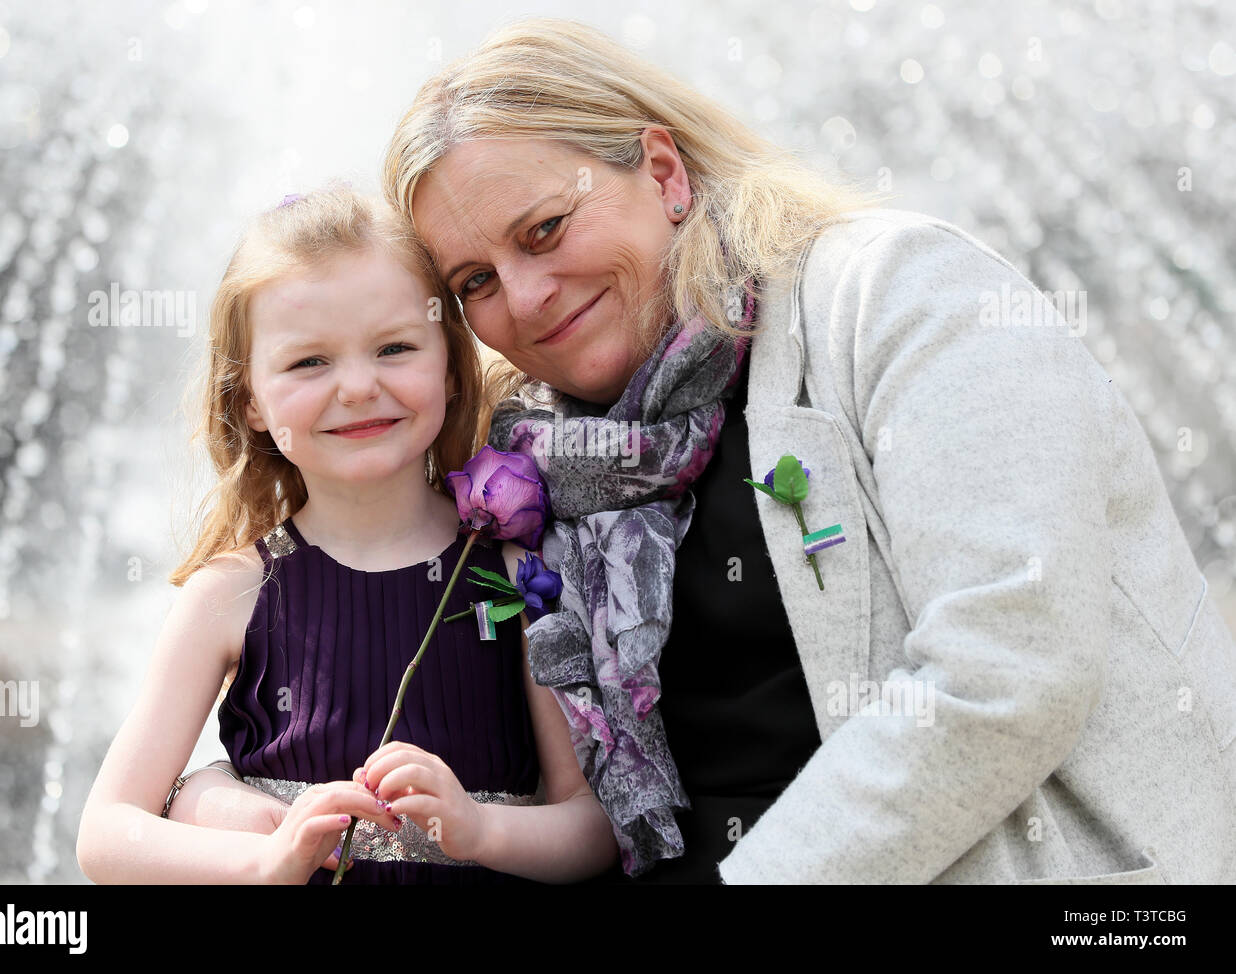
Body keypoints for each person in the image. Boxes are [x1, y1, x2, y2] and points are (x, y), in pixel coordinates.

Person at [179, 18, 1236, 884]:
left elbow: (1007, 666)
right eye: (474, 284)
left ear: (663, 170)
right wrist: (218, 798)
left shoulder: (902, 295)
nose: (525, 297)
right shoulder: (538, 449)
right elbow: (367, 656)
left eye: (543, 230)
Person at [74, 184, 618, 884]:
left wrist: (482, 829)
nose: (358, 386)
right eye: (309, 362)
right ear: (252, 402)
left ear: (451, 369)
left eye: (394, 348)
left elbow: (594, 826)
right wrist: (264, 860)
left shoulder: (517, 576)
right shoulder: (232, 591)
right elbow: (108, 833)